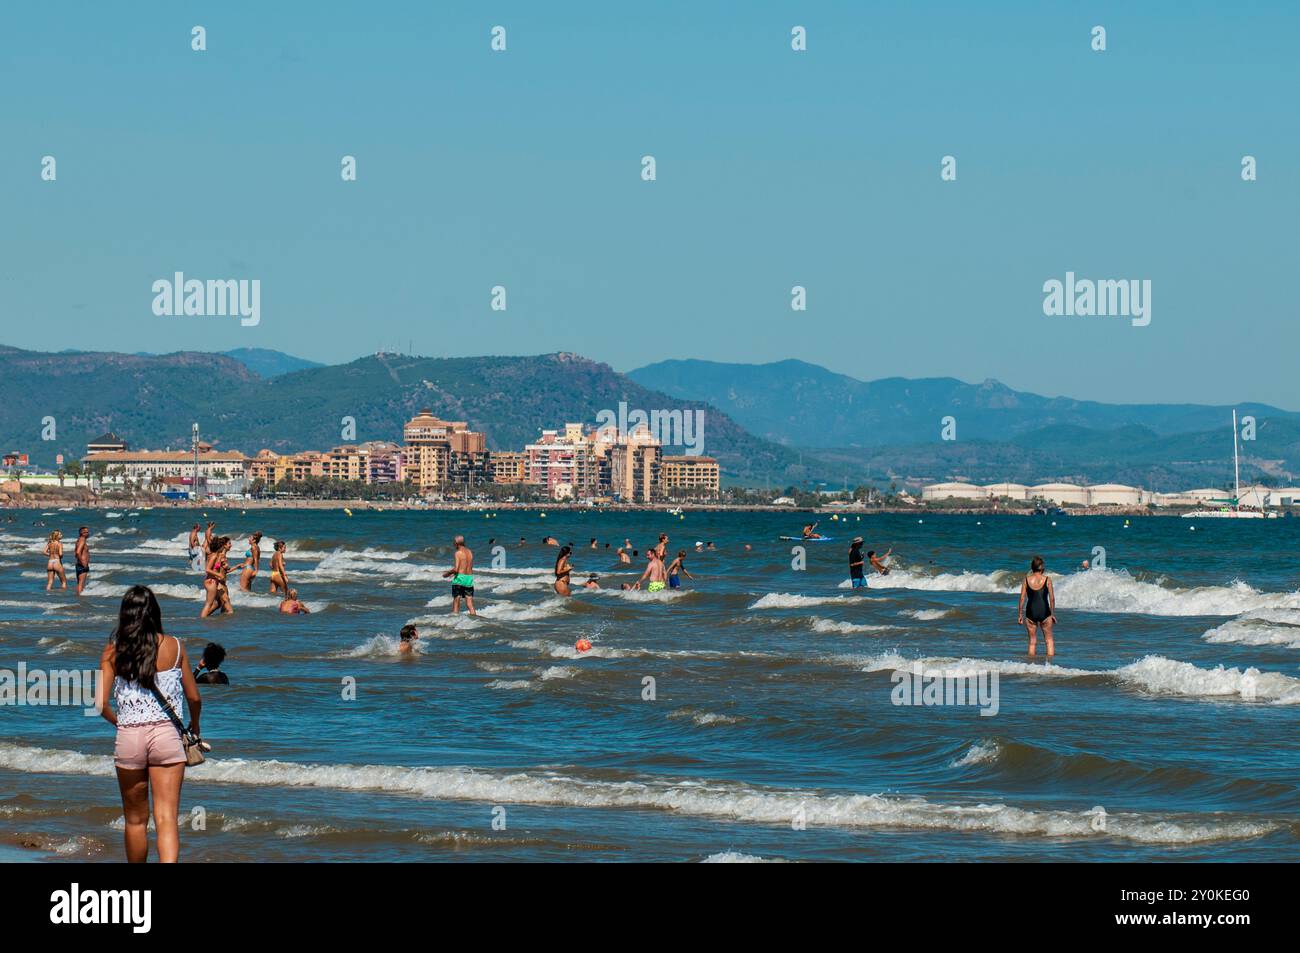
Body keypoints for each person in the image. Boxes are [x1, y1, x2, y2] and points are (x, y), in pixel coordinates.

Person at [96, 585, 201, 863]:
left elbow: (99, 704)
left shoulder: (112, 652)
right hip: (167, 736)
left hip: (129, 737)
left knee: (134, 820)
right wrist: (195, 726)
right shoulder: (175, 646)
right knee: (166, 818)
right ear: (154, 612)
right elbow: (194, 697)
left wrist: (122, 723)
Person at [1018, 555, 1057, 657]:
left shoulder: (1026, 580)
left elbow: (1022, 598)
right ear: (1042, 568)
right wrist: (1052, 614)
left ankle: (1031, 664)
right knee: (1049, 640)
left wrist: (1020, 615)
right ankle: (1050, 664)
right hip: (1045, 611)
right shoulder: (1047, 579)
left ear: (1032, 568)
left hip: (1031, 612)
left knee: (1032, 641)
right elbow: (1052, 598)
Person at [441, 535, 476, 615]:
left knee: (456, 600)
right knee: (470, 603)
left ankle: (454, 618)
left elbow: (456, 569)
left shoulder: (458, 553)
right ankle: (475, 619)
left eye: (454, 542)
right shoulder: (469, 552)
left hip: (459, 579)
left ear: (456, 543)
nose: (453, 544)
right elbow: (470, 567)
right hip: (469, 578)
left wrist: (447, 574)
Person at [200, 537, 235, 618]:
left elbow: (214, 568)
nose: (223, 547)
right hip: (211, 581)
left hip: (213, 581)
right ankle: (202, 620)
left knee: (216, 603)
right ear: (219, 547)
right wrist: (219, 575)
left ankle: (204, 618)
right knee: (209, 604)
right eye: (222, 546)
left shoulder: (215, 555)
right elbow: (207, 569)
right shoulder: (214, 556)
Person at [74, 526, 91, 595]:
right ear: (82, 533)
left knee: (79, 583)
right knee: (81, 584)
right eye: (86, 532)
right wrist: (83, 563)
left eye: (88, 532)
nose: (88, 533)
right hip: (82, 565)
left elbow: (75, 553)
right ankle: (80, 598)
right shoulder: (82, 540)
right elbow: (78, 552)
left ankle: (78, 597)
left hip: (79, 564)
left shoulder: (78, 540)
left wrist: (79, 561)